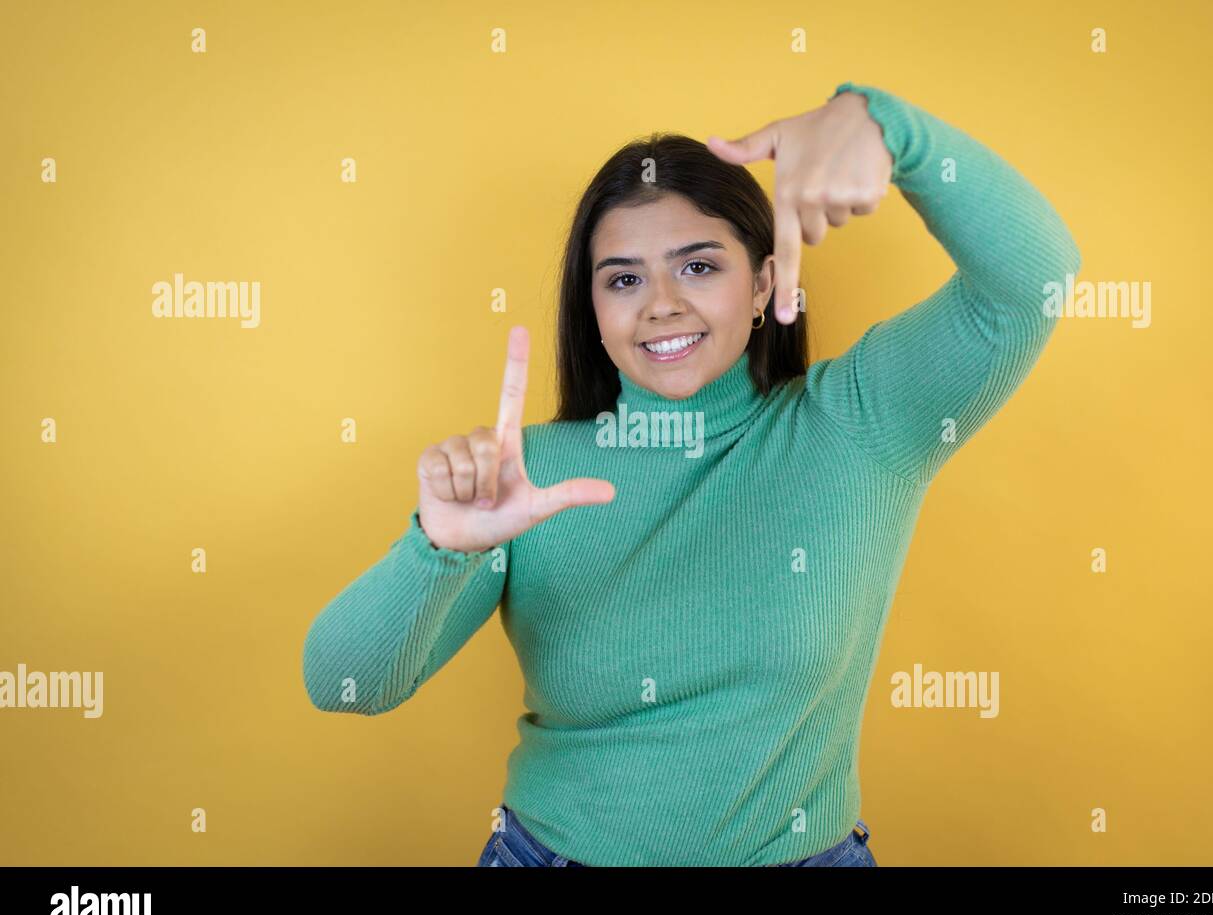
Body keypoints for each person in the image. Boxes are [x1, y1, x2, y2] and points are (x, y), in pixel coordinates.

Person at [302, 81, 1081, 867]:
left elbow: (1033, 283)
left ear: (766, 286)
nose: (661, 305)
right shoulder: (527, 477)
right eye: (624, 279)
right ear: (595, 309)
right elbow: (345, 686)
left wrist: (892, 130)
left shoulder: (859, 424)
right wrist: (441, 546)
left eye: (698, 266)